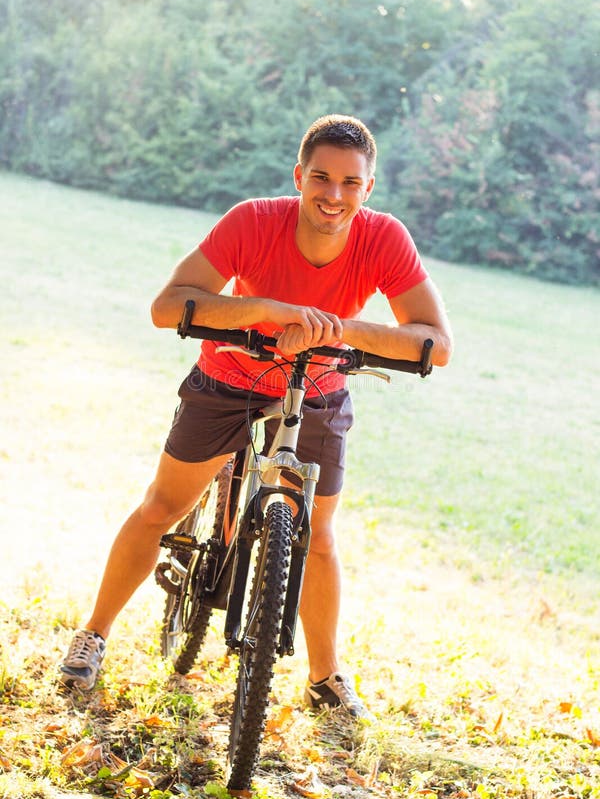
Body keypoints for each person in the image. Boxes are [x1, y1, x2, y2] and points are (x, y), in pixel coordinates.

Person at [60, 114, 453, 717]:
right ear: (299, 176)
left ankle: (325, 678)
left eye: (351, 183)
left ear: (367, 189)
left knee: (317, 538)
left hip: (318, 384)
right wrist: (267, 311)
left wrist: (335, 329)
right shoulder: (253, 221)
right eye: (321, 177)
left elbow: (436, 342)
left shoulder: (384, 238)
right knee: (163, 507)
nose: (334, 194)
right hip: (230, 375)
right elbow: (168, 306)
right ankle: (93, 634)